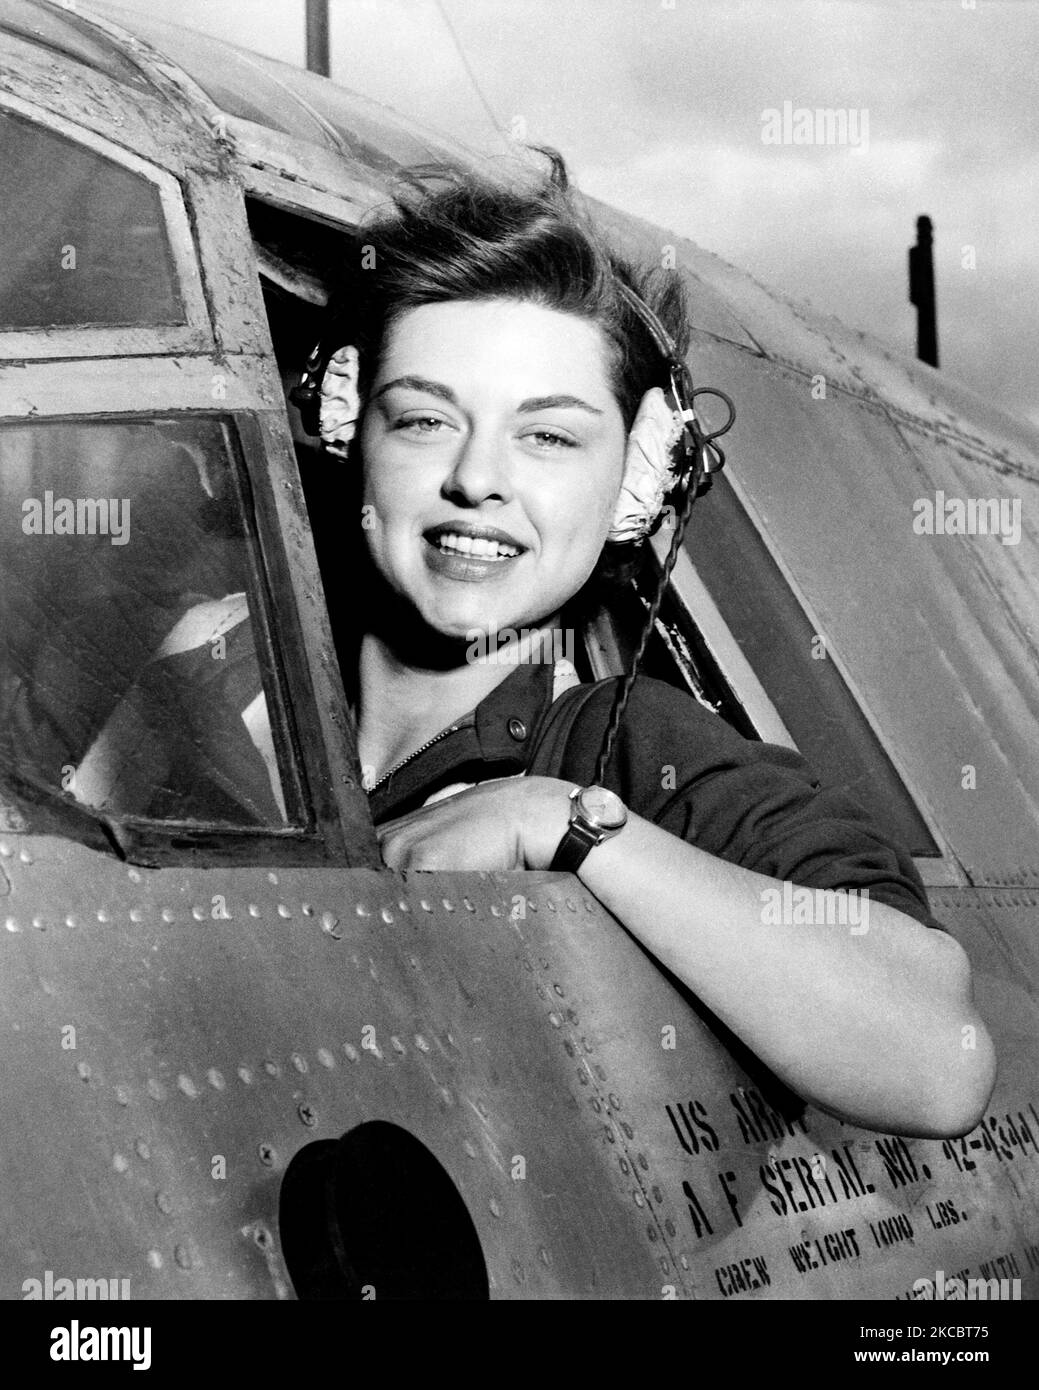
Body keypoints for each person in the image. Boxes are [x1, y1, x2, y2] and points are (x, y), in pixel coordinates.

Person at [297, 147, 995, 1141]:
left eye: (548, 437)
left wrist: (563, 821)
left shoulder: (625, 752)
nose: (475, 478)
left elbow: (937, 1059)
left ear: (635, 480)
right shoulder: (205, 688)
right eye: (422, 420)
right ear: (347, 424)